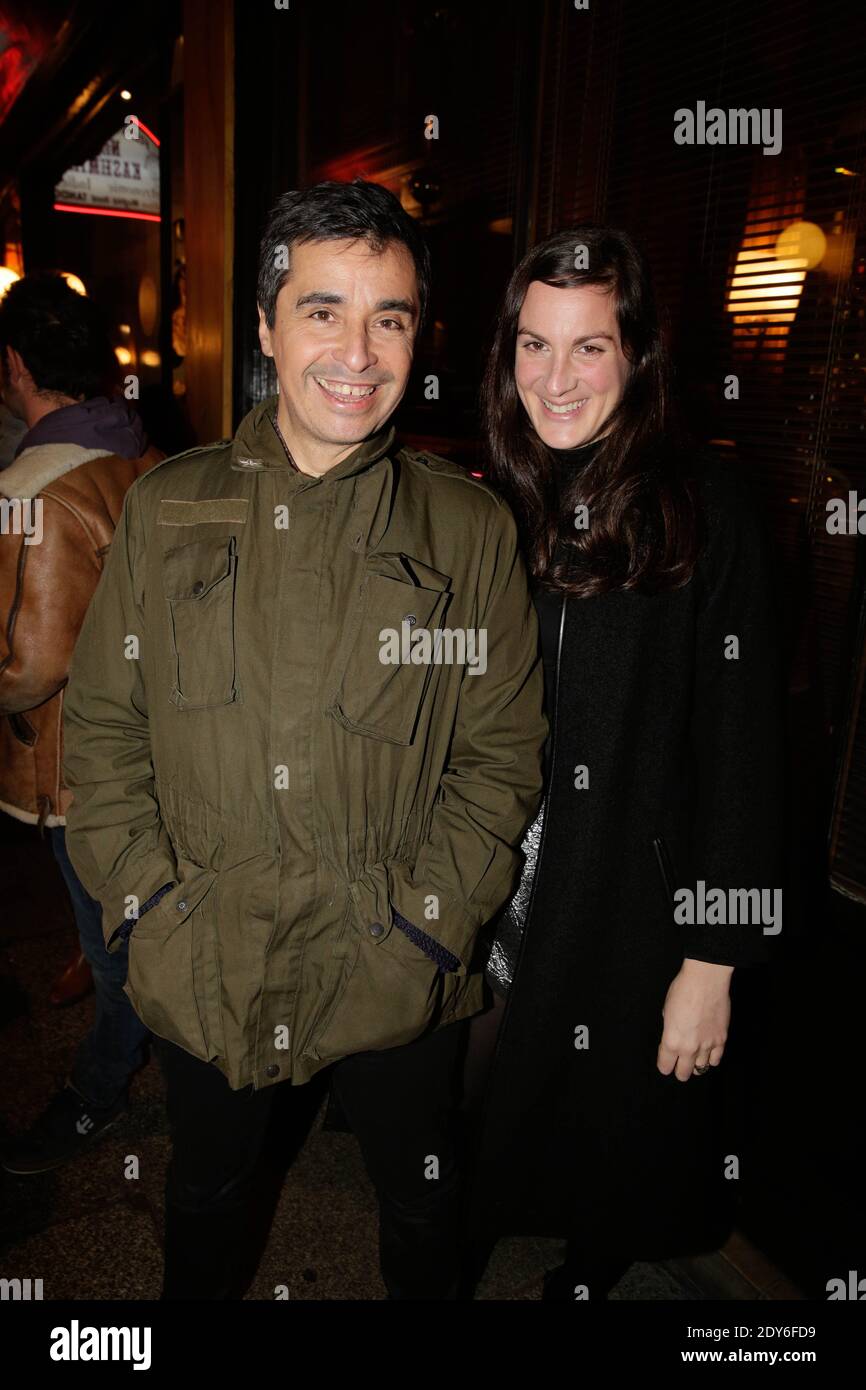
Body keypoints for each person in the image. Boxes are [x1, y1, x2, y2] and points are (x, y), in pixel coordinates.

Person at [61, 179, 547, 1300]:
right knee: (209, 1199)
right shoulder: (165, 505)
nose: (358, 351)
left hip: (392, 961)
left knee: (421, 1201)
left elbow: (497, 756)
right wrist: (147, 908)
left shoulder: (465, 525)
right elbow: (101, 727)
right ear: (268, 327)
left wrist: (423, 935)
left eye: (389, 316)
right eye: (323, 310)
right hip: (206, 952)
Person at [463, 225, 784, 1299]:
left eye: (588, 347)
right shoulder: (496, 499)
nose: (556, 379)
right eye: (532, 345)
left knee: (612, 1122)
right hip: (495, 872)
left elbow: (746, 750)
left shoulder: (705, 510)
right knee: (483, 1090)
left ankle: (589, 1262)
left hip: (626, 890)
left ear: (637, 355)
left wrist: (713, 957)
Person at [0, 273, 162, 1173]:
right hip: (148, 746)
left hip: (75, 770)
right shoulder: (138, 451)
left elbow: (28, 668)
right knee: (127, 930)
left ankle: (101, 1088)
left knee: (113, 956)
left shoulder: (32, 486)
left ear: (15, 363)